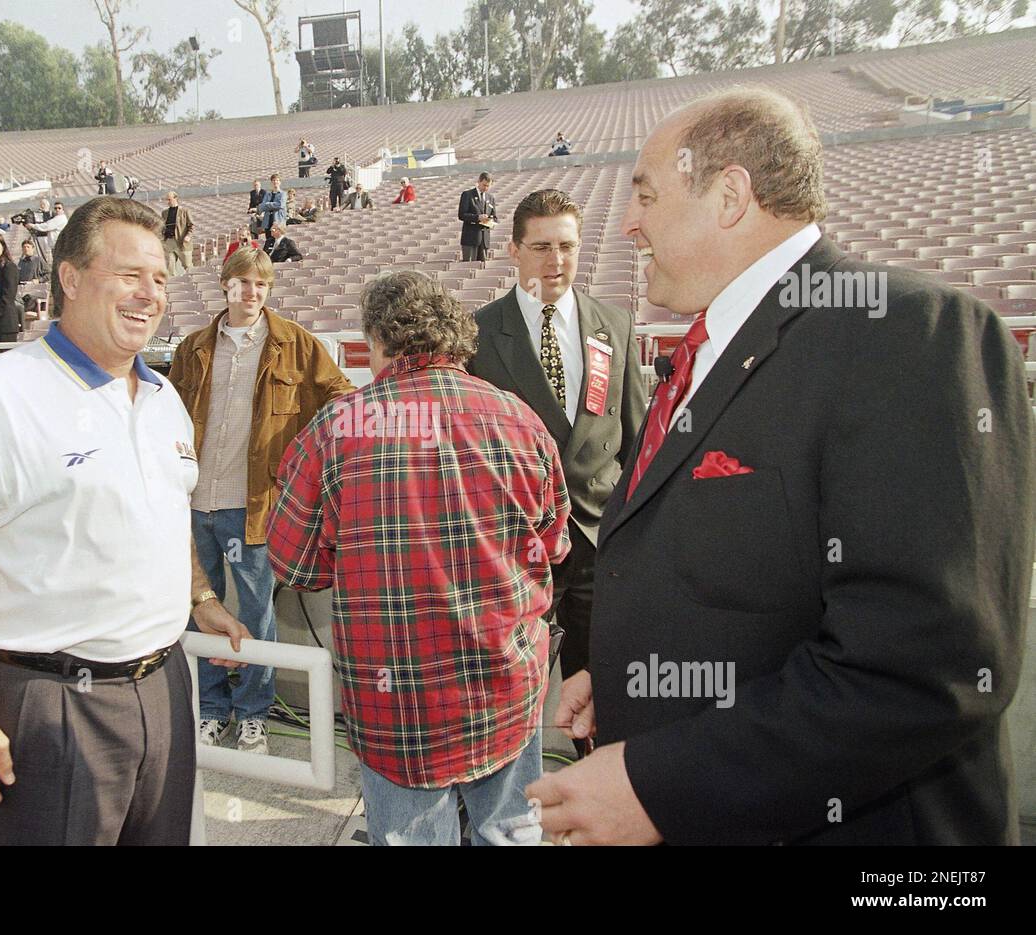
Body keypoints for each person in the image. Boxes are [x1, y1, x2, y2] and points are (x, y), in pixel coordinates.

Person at [527, 88, 1036, 847]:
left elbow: (920, 669)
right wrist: (646, 682)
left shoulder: (910, 336)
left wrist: (660, 783)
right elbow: (747, 587)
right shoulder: (698, 360)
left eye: (646, 195)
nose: (628, 223)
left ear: (729, 195)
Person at [0, 196, 250, 846]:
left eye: (161, 278)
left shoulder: (167, 398)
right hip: (46, 704)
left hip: (164, 690)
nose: (150, 294)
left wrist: (199, 595)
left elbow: (166, 511)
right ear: (71, 278)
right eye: (130, 274)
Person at [268, 270, 571, 845]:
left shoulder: (336, 428)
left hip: (395, 700)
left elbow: (294, 565)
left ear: (379, 341)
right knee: (510, 833)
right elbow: (554, 542)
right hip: (505, 682)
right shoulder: (519, 418)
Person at [169, 246, 353, 755]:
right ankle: (210, 709)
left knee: (256, 615)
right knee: (196, 608)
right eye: (243, 283)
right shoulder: (193, 347)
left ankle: (253, 714)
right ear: (225, 286)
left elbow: (338, 397)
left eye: (262, 285)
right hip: (192, 502)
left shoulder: (295, 344)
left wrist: (300, 462)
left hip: (253, 505)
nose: (252, 293)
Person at [468, 189, 646, 682]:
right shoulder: (476, 334)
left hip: (595, 538)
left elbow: (635, 438)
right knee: (512, 688)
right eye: (543, 247)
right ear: (514, 250)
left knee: (596, 688)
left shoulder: (615, 325)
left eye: (567, 246)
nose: (557, 260)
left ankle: (589, 760)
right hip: (514, 546)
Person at [458, 172, 498, 262]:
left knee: (483, 267)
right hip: (470, 239)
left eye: (488, 186)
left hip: (484, 240)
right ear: (478, 182)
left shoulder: (490, 198)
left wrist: (489, 221)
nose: (486, 188)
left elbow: (495, 218)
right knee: (469, 266)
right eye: (484, 185)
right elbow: (461, 214)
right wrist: (477, 218)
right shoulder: (468, 195)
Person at [160, 191, 195, 277]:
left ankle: (193, 281)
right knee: (170, 267)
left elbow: (191, 226)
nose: (167, 201)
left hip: (182, 241)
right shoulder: (164, 212)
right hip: (169, 242)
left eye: (169, 199)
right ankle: (172, 285)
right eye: (166, 200)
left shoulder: (185, 211)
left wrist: (188, 236)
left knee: (188, 265)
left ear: (175, 198)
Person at [29, 201, 68, 268]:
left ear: (63, 210)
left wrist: (32, 225)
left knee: (58, 264)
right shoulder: (56, 218)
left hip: (58, 246)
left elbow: (47, 226)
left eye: (59, 208)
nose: (57, 210)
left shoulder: (60, 218)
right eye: (55, 208)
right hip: (55, 246)